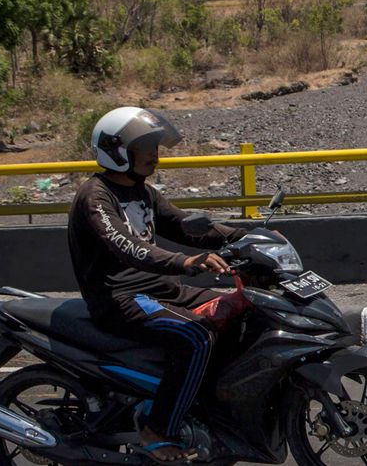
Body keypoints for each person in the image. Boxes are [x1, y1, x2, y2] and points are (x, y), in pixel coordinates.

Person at [69, 107, 248, 463]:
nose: (154, 153)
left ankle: (207, 410)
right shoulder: (96, 197)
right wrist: (184, 262)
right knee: (196, 336)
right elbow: (129, 246)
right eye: (145, 146)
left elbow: (185, 226)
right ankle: (158, 427)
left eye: (154, 145)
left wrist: (248, 238)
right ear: (117, 151)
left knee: (239, 311)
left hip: (160, 289)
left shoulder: (143, 193)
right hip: (120, 298)